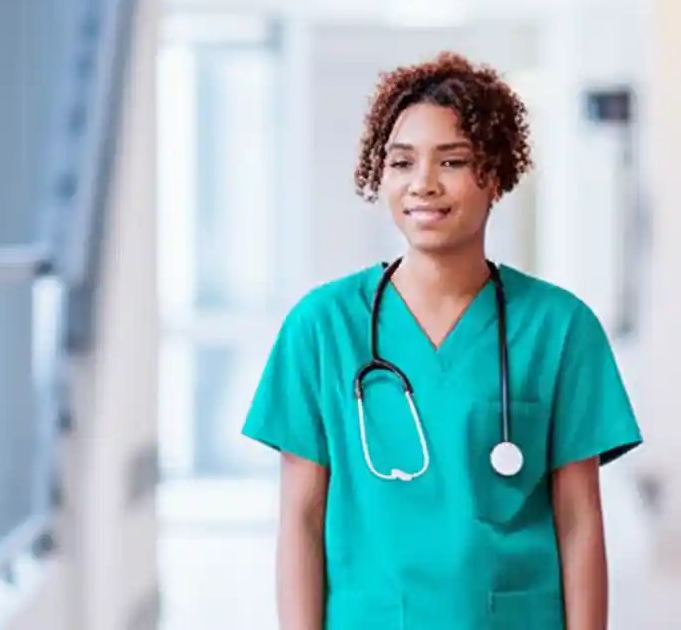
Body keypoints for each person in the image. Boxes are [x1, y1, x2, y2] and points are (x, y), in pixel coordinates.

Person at [241, 51, 643, 629]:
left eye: (452, 161)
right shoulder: (323, 327)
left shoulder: (559, 328)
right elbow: (301, 521)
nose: (423, 184)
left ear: (497, 175)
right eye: (402, 163)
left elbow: (579, 521)